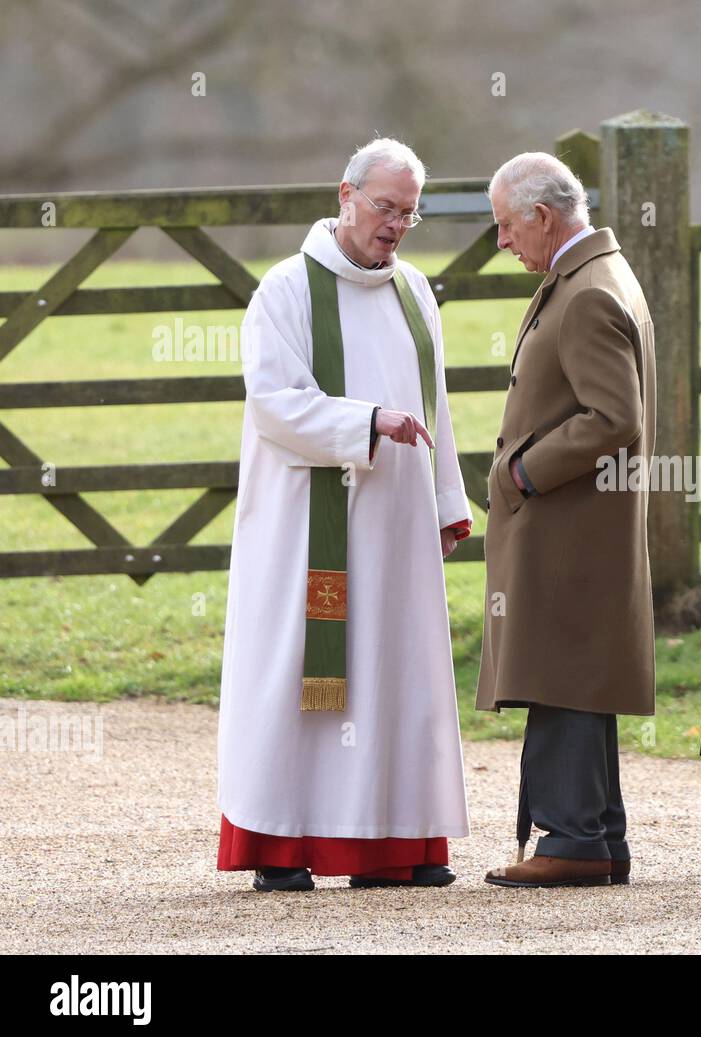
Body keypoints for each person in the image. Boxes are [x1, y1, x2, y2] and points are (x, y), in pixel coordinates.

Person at [216, 138, 474, 892]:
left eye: (408, 213)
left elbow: (437, 410)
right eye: (384, 207)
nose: (394, 225)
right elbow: (274, 405)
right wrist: (366, 423)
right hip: (311, 529)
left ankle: (395, 846)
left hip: (397, 526)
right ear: (346, 195)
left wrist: (446, 505)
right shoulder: (287, 290)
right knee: (310, 678)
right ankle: (282, 845)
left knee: (396, 673)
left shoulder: (416, 292)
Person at [476, 152, 656, 888]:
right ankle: (594, 835)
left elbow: (614, 417)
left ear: (541, 217)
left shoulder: (584, 292)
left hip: (570, 521)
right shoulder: (591, 276)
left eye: (504, 226)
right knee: (572, 673)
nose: (501, 243)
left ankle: (574, 838)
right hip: (580, 522)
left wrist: (524, 469)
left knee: (563, 674)